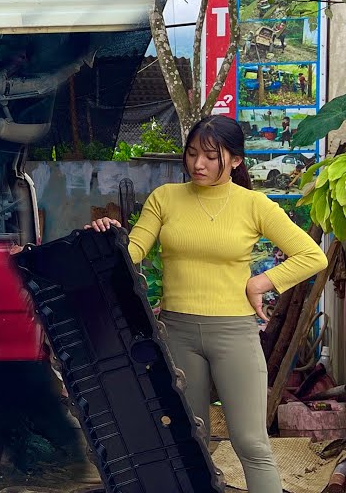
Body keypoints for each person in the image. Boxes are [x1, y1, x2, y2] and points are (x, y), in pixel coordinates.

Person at [86, 115, 325, 493]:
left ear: (235, 160)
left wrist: (261, 282)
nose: (198, 164)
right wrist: (106, 237)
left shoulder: (254, 205)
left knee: (251, 443)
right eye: (193, 153)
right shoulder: (166, 198)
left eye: (212, 156)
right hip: (177, 333)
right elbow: (131, 255)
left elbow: (312, 256)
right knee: (189, 444)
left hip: (235, 335)